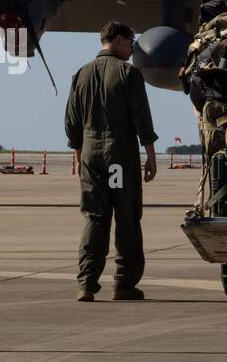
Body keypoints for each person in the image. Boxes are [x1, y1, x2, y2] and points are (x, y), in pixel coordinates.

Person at [64, 22, 158, 302]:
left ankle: (87, 284)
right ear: (117, 40)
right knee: (126, 217)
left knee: (95, 217)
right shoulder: (128, 73)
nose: (133, 47)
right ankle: (124, 283)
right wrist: (151, 156)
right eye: (131, 41)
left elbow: (72, 121)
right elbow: (142, 119)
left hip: (91, 158)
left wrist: (79, 154)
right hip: (119, 159)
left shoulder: (81, 74)